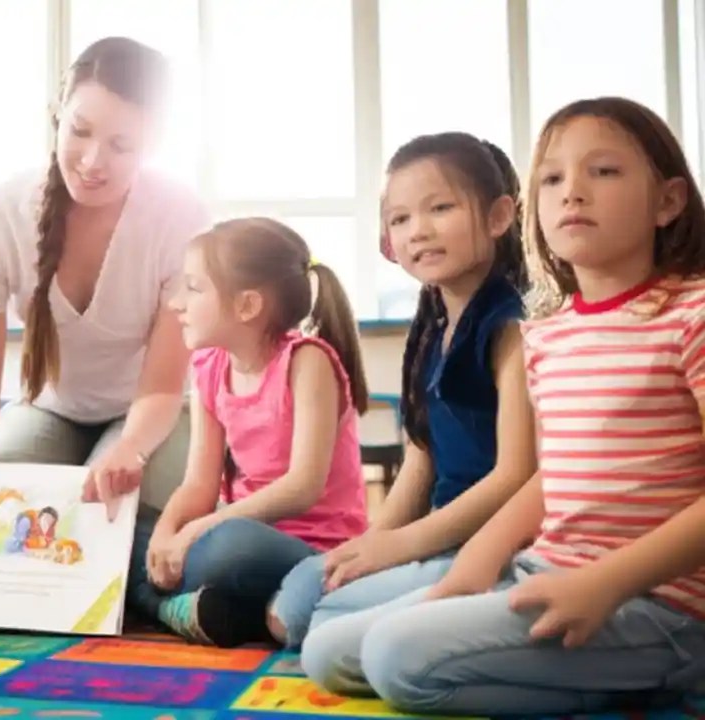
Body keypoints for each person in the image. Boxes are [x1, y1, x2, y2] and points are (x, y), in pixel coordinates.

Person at [305, 96, 705, 716]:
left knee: (394, 659)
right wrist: (472, 569)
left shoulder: (692, 315)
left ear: (668, 201)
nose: (572, 191)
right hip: (543, 567)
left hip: (660, 602)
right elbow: (554, 478)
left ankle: (652, 675)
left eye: (603, 171)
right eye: (552, 178)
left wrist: (605, 583)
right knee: (327, 652)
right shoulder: (549, 332)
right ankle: (600, 679)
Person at [0, 37, 210, 514]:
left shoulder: (180, 217)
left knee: (123, 511)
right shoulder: (0, 216)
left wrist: (127, 450)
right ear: (58, 115)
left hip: (149, 414)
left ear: (153, 144)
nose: (92, 161)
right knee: (6, 509)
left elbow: (161, 388)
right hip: (48, 408)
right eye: (80, 130)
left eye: (121, 145)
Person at [270, 134, 537, 652]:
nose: (420, 231)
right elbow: (421, 460)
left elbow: (514, 475)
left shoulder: (510, 327)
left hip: (489, 545)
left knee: (317, 624)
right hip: (436, 543)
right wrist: (373, 545)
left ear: (499, 216)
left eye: (440, 208)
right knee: (302, 596)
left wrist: (399, 546)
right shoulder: (433, 325)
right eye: (401, 219)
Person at [127, 217, 369, 647]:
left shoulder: (306, 361)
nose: (176, 304)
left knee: (225, 548)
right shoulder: (209, 367)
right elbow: (198, 485)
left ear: (247, 306)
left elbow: (302, 487)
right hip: (230, 527)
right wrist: (166, 536)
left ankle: (168, 604)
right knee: (128, 534)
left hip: (307, 548)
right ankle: (200, 610)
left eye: (194, 288)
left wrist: (197, 532)